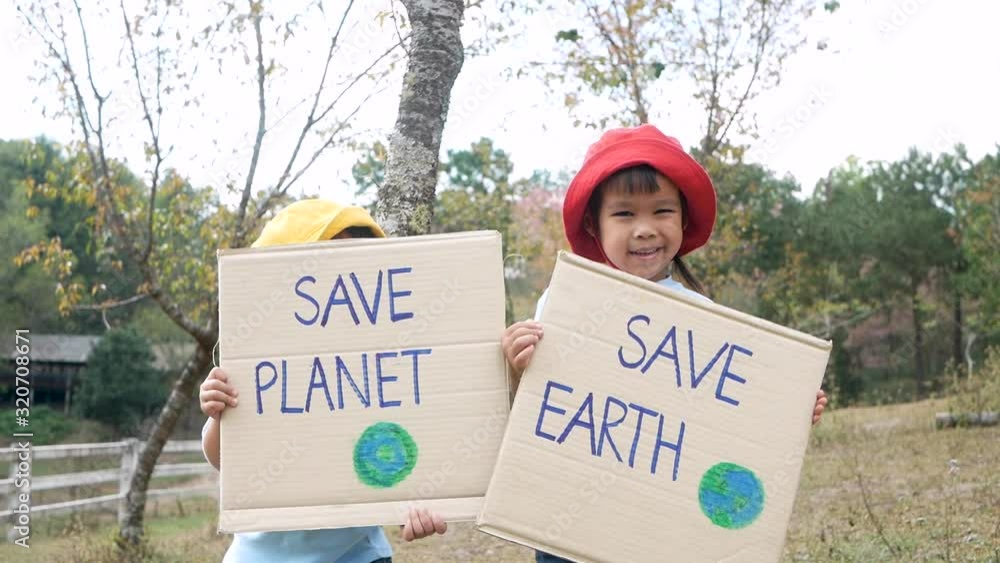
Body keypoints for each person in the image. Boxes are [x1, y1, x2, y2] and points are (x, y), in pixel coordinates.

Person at [499, 125, 828, 563]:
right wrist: (517, 365)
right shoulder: (563, 303)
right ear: (593, 226)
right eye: (623, 215)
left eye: (661, 211)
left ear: (683, 220)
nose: (644, 229)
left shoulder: (704, 320)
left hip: (660, 533)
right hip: (571, 525)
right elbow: (535, 408)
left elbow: (726, 420)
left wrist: (781, 412)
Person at [199, 199, 447, 563]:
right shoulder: (258, 360)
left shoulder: (380, 370)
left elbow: (412, 458)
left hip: (359, 555)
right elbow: (222, 458)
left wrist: (419, 505)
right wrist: (219, 413)